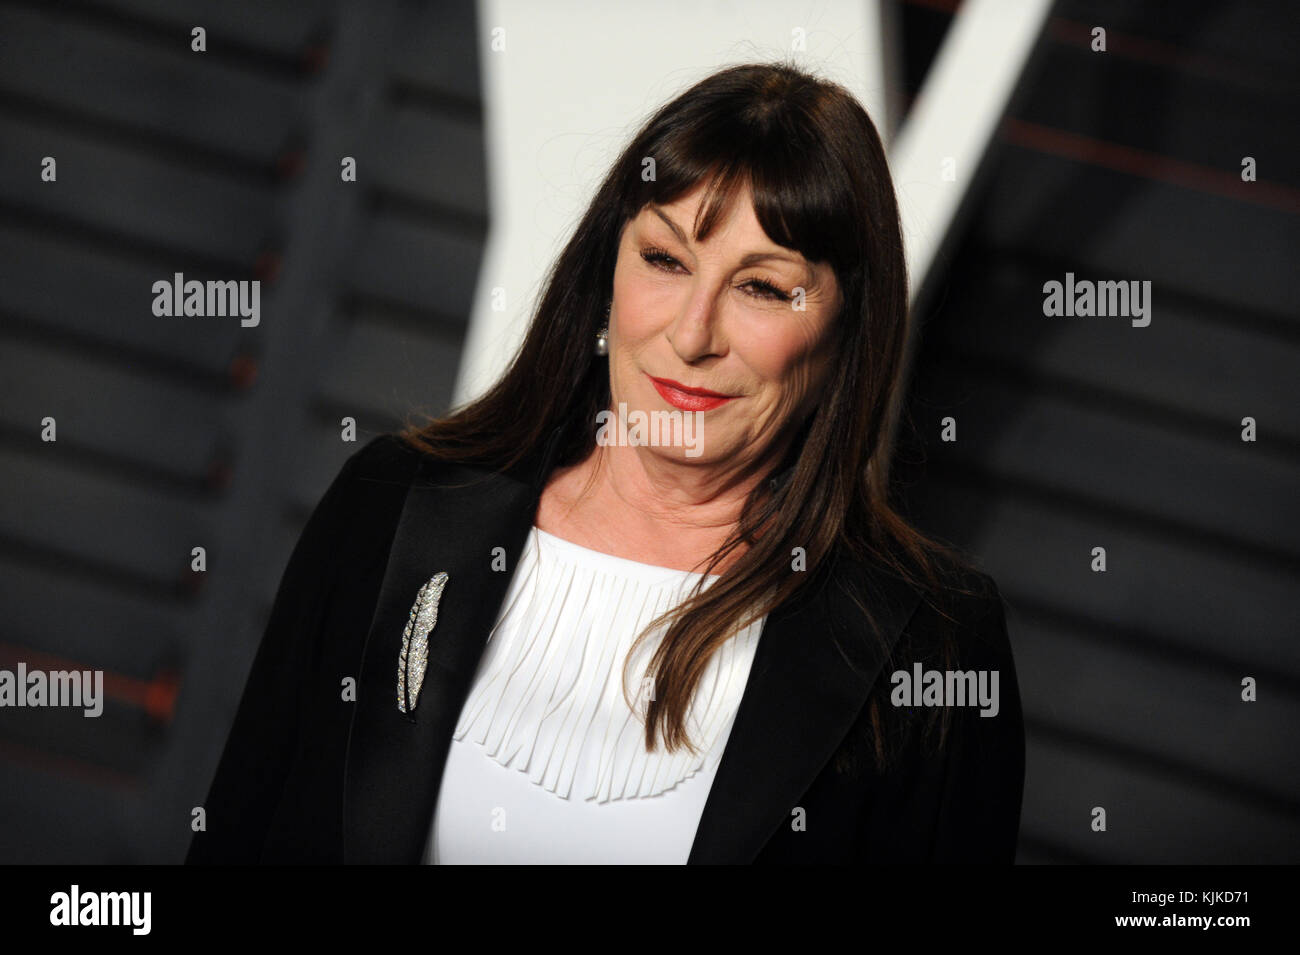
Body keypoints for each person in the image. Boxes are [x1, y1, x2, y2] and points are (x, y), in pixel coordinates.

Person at [186, 61, 1023, 865]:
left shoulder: (932, 643)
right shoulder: (390, 508)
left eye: (762, 288)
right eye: (665, 260)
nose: (692, 334)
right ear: (607, 271)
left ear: (848, 334)